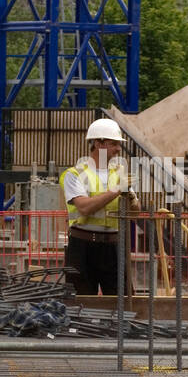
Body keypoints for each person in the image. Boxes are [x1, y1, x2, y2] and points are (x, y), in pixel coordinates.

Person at [61, 117, 141, 295]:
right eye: (114, 144)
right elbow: (84, 207)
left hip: (114, 247)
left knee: (122, 302)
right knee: (80, 302)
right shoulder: (74, 174)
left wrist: (131, 198)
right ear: (98, 143)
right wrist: (116, 190)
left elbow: (134, 214)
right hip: (82, 247)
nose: (118, 149)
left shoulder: (119, 173)